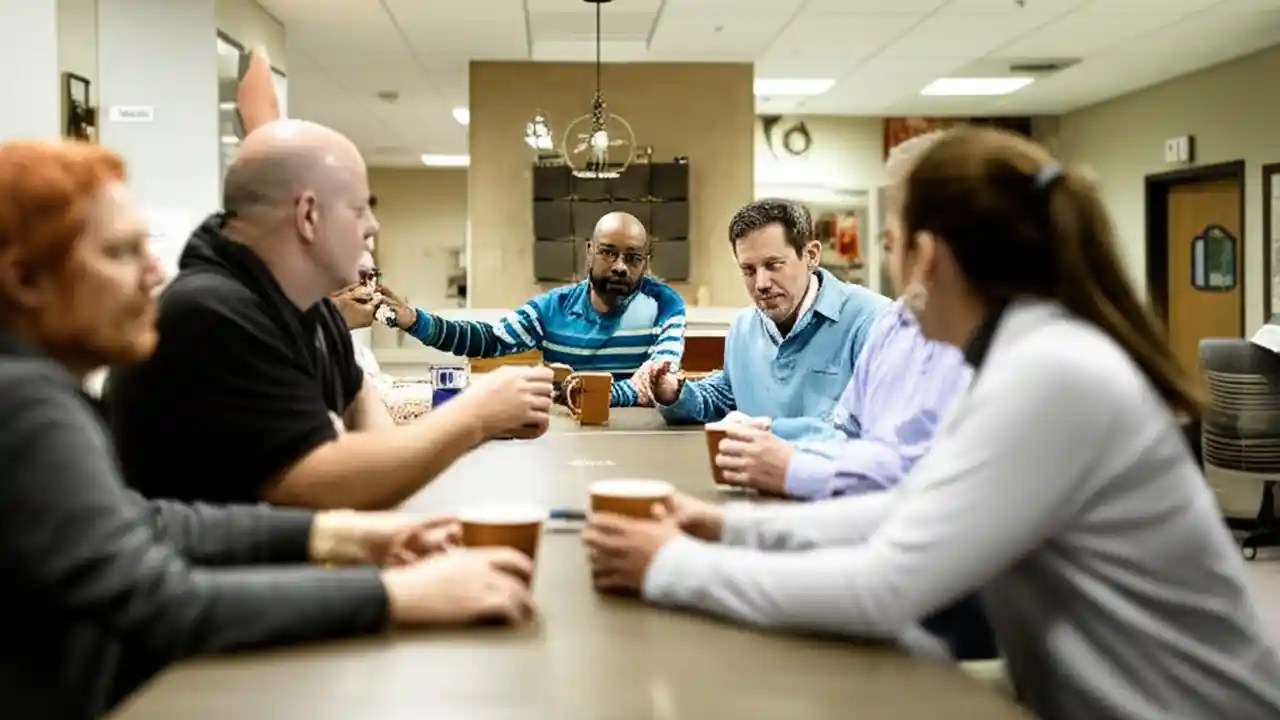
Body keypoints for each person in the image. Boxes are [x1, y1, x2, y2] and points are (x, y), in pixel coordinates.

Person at [583, 127, 1280, 719]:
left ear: (925, 256)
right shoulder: (1024, 353)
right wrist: (723, 525)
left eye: (887, 240)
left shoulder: (1053, 372)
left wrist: (670, 567)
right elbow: (912, 506)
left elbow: (884, 588)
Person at [0, 140, 535, 719]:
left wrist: (343, 537)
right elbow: (158, 600)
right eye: (122, 252)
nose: (154, 272)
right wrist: (394, 594)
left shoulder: (39, 391)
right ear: (26, 280)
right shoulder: (26, 403)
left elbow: (151, 519)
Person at [105, 120, 554, 509]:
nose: (372, 227)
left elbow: (369, 434)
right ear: (308, 215)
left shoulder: (308, 306)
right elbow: (315, 484)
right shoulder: (211, 312)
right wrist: (476, 413)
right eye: (359, 209)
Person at [705, 136, 970, 500]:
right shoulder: (899, 326)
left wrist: (779, 453)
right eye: (749, 270)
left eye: (892, 239)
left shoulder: (883, 322)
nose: (761, 283)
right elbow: (849, 435)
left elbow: (903, 483)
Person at [377, 211, 685, 407]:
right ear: (590, 253)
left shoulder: (666, 305)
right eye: (608, 253)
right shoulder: (553, 307)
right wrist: (415, 321)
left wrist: (582, 393)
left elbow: (654, 381)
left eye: (633, 258)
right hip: (567, 439)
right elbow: (488, 339)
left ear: (645, 261)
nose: (620, 266)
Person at [638, 199, 890, 437]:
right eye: (748, 270)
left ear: (811, 255)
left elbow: (881, 429)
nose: (761, 284)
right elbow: (726, 394)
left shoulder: (872, 321)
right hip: (753, 480)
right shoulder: (743, 328)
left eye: (773, 265)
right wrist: (674, 392)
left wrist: (769, 432)